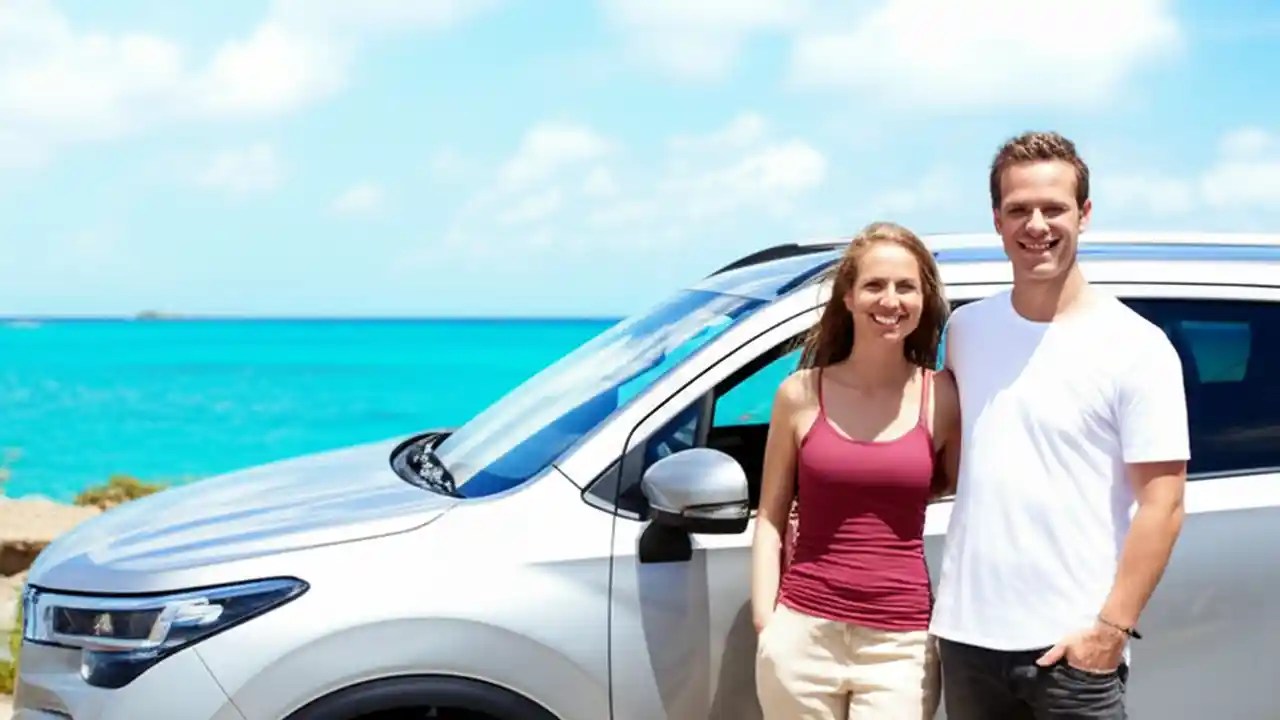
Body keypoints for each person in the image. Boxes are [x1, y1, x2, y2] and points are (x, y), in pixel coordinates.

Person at [928, 131, 1191, 719]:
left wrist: (1109, 632)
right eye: (1019, 209)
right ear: (997, 220)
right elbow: (964, 465)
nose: (1036, 225)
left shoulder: (1137, 347)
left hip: (1073, 649)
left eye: (1054, 208)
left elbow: (1165, 504)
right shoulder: (967, 331)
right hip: (968, 642)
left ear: (1085, 214)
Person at [751, 221, 961, 719]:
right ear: (848, 297)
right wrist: (768, 622)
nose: (890, 300)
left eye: (905, 286)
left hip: (900, 643)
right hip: (803, 634)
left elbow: (958, 490)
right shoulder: (800, 394)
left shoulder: (943, 397)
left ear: (923, 299)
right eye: (874, 285)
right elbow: (770, 518)